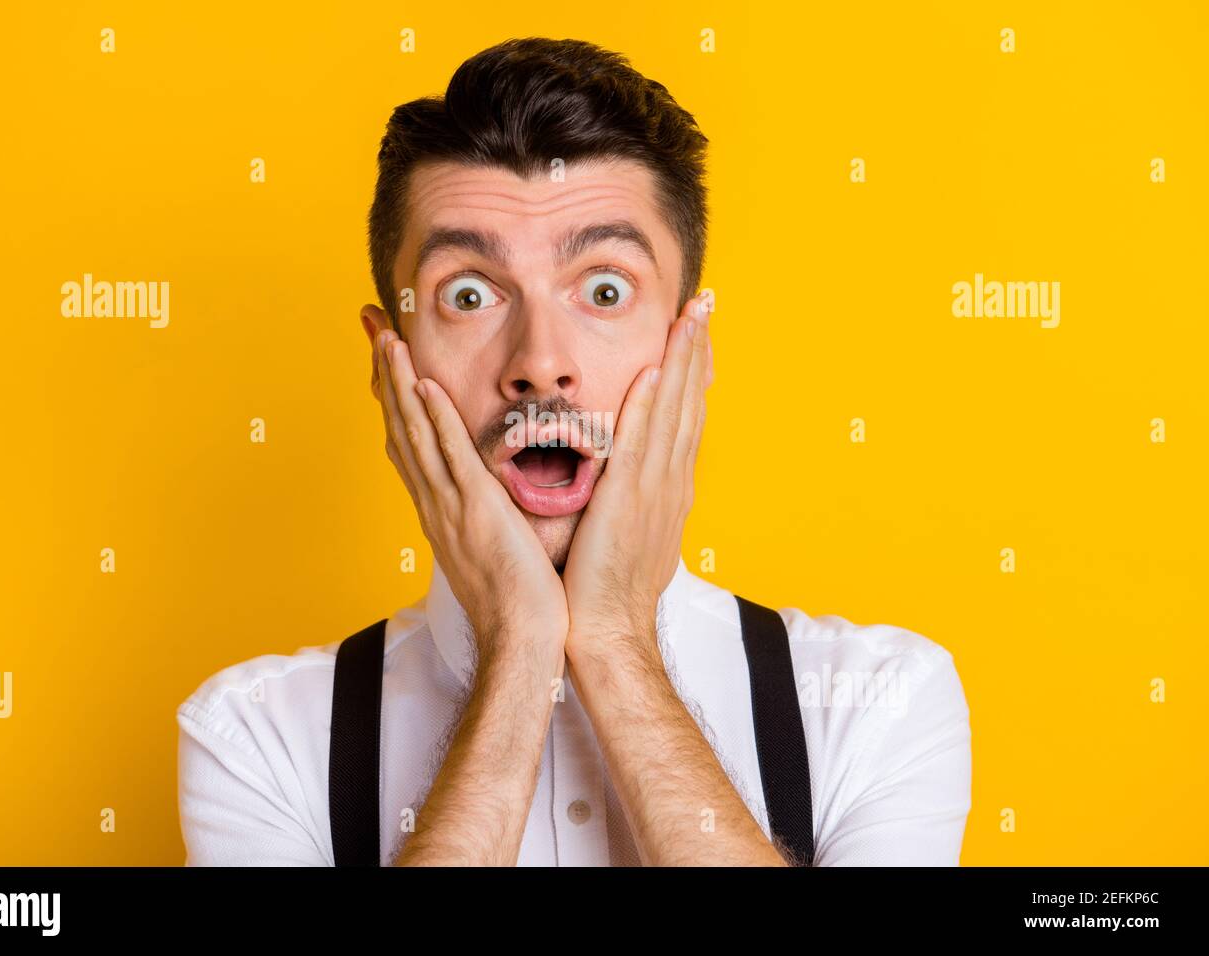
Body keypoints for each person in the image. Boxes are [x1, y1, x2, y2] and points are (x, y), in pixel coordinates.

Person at [177, 36, 971, 866]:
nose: (539, 363)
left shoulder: (875, 704)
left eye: (603, 289)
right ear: (391, 362)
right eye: (470, 294)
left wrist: (615, 642)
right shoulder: (257, 736)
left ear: (688, 351)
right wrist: (520, 651)